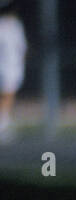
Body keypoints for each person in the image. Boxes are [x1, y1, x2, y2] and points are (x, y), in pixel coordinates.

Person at [0, 0, 25, 143]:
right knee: (7, 96)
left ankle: (3, 123)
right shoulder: (12, 25)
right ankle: (2, 126)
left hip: (10, 65)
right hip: (8, 66)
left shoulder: (15, 25)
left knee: (6, 96)